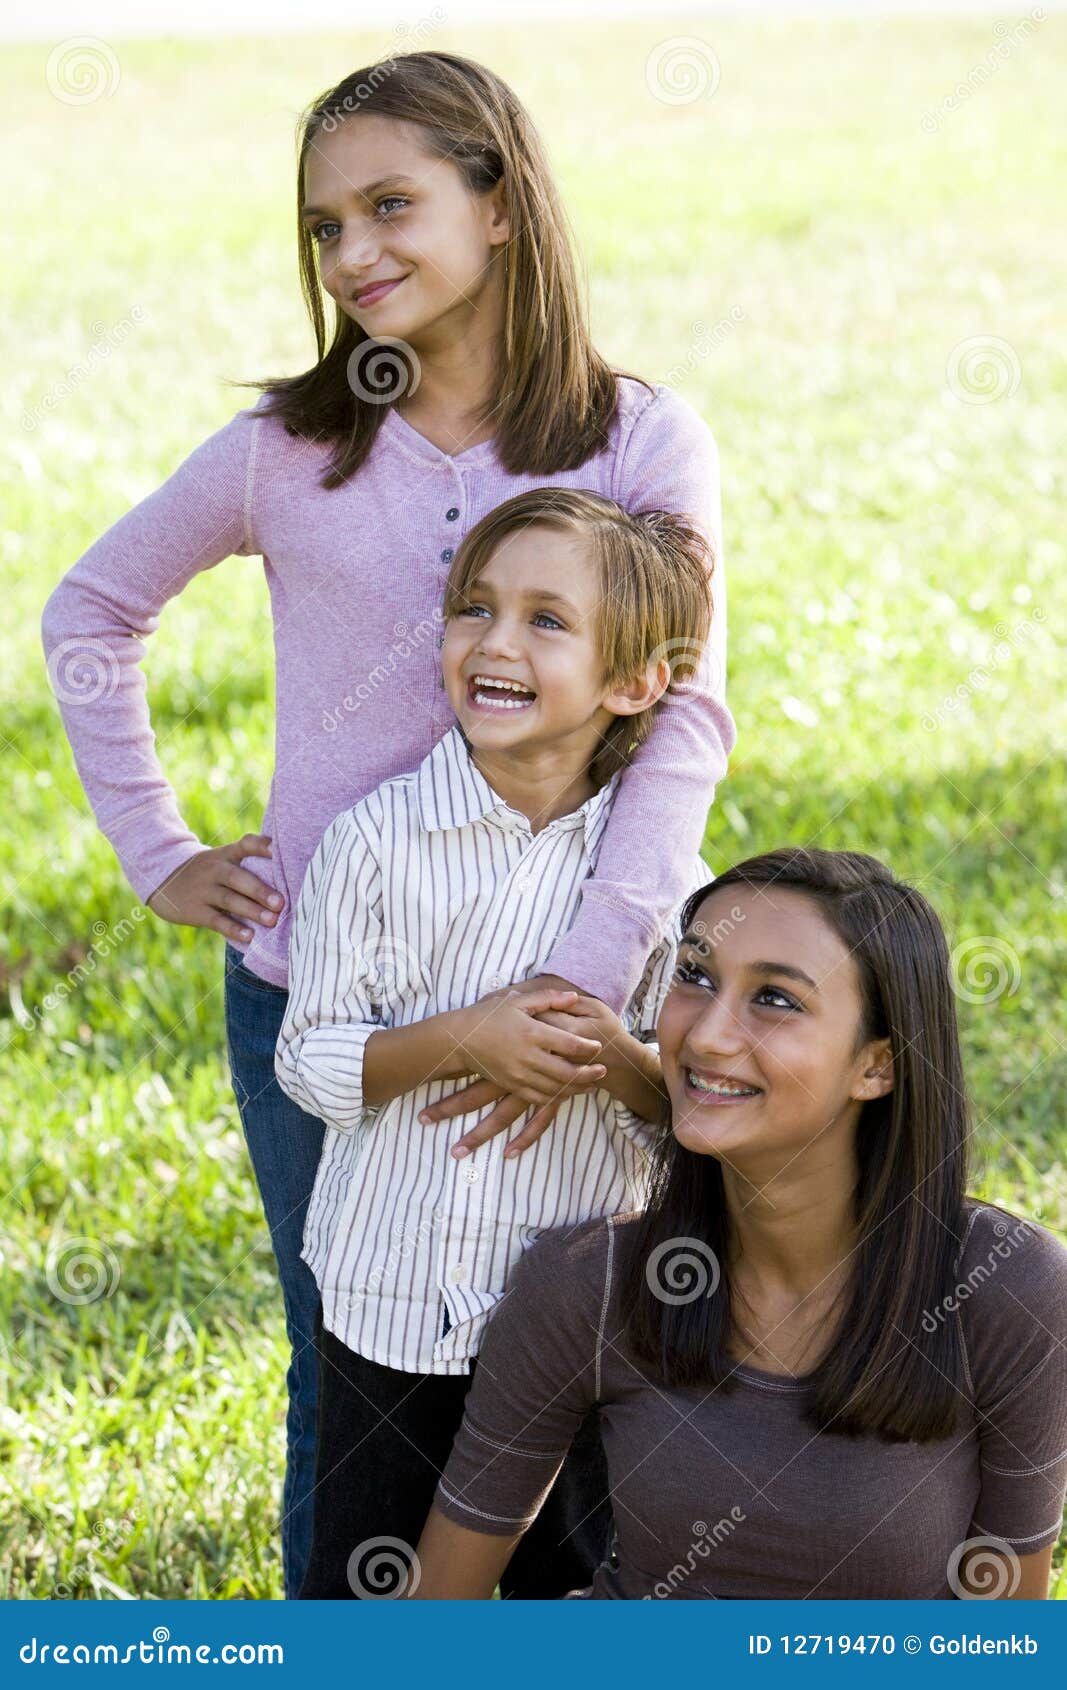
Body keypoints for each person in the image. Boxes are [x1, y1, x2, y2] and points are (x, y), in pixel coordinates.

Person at [39, 53, 735, 1595]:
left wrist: (575, 980)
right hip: (326, 999)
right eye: (322, 228)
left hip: (576, 997)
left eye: (389, 207)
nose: (352, 255)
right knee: (344, 1372)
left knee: (581, 1360)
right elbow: (90, 613)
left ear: (497, 202)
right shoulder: (289, 451)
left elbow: (683, 713)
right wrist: (160, 856)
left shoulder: (633, 437)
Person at [411, 847, 1067, 1599]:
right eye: (694, 977)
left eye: (776, 1000)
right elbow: (431, 1620)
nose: (707, 1036)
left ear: (876, 1066)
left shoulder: (1007, 1288)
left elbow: (1003, 1641)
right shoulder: (585, 1284)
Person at [275, 487, 715, 1598]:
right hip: (391, 1303)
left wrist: (601, 1052)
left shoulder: (658, 886)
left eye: (544, 620)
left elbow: (692, 1111)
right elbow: (311, 1060)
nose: (493, 642)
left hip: (578, 1327)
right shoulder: (374, 843)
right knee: (370, 1590)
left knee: (556, 1595)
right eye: (473, 607)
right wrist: (465, 1036)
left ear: (633, 683)